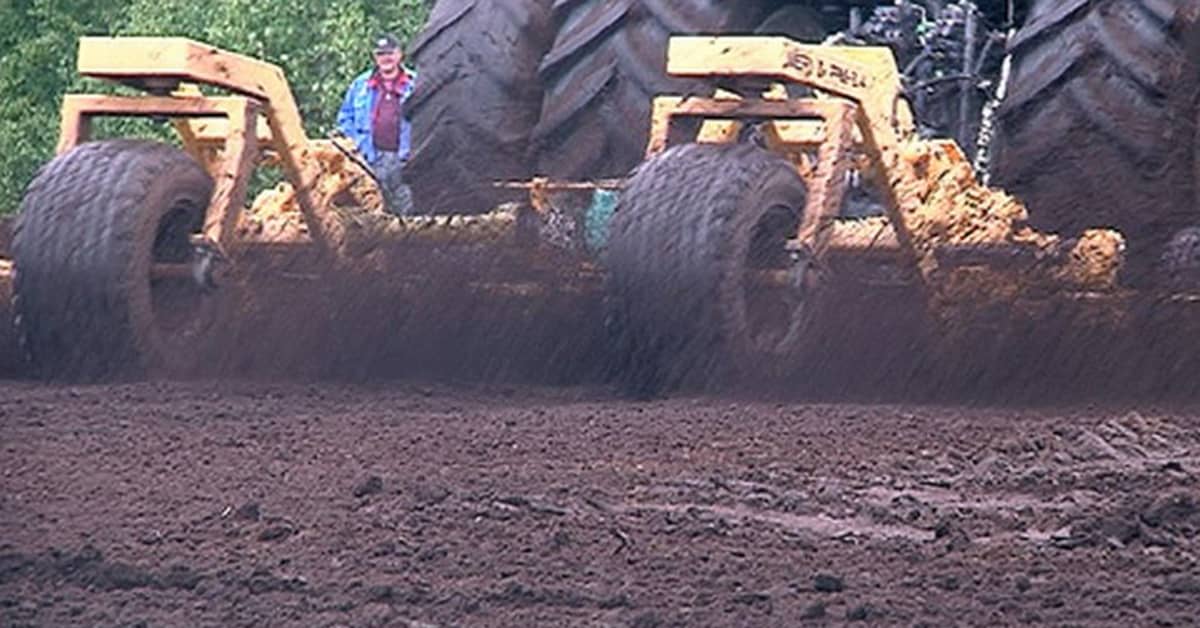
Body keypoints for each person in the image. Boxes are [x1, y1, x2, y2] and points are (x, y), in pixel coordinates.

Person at [337, 33, 417, 215]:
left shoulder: (415, 85)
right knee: (370, 211)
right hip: (369, 160)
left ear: (399, 55)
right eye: (381, 54)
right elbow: (344, 118)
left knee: (407, 212)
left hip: (404, 160)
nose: (385, 58)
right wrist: (357, 146)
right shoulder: (360, 85)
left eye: (390, 53)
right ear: (375, 57)